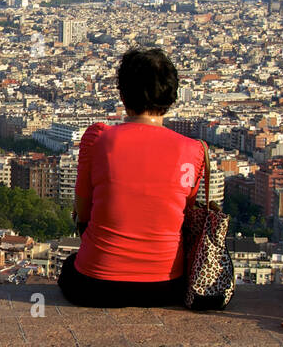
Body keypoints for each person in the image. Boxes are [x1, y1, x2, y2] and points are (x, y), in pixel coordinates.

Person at [59, 47, 206, 307]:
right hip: (167, 286)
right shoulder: (193, 151)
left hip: (96, 284)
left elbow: (83, 213)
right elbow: (185, 216)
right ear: (171, 96)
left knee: (70, 266)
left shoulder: (98, 139)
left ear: (123, 94)